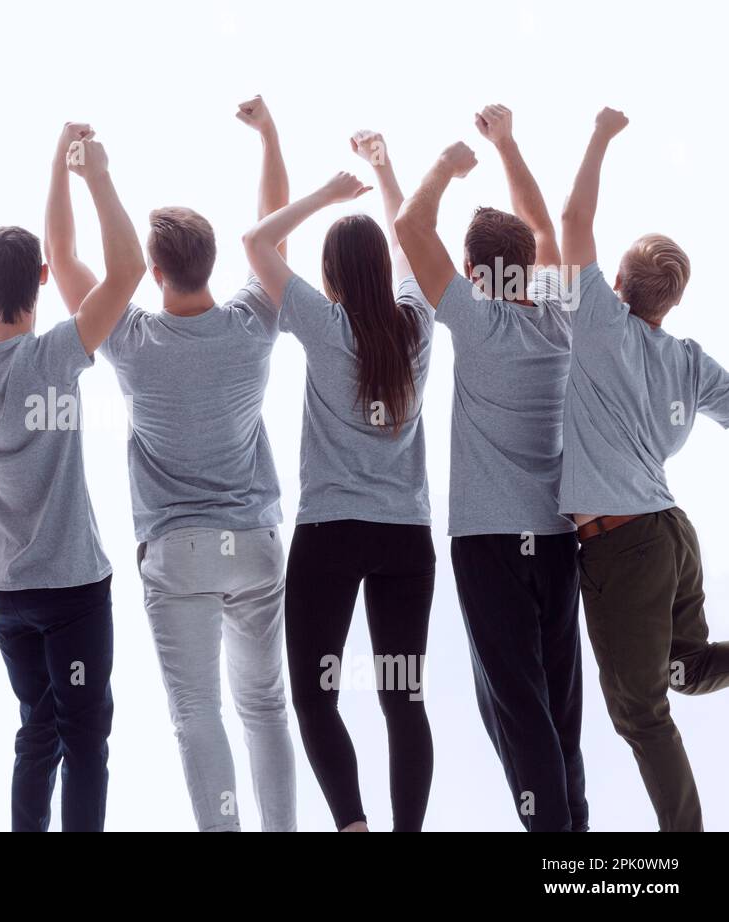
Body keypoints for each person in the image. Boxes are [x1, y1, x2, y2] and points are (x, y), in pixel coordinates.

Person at [50, 96, 298, 831]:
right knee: (266, 706)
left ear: (151, 270)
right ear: (215, 259)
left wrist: (83, 173)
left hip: (178, 552)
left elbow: (63, 261)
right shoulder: (256, 321)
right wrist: (270, 134)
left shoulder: (129, 337)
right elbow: (274, 227)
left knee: (198, 714)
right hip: (254, 547)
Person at [0, 125, 144, 832]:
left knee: (36, 731)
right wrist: (76, 171)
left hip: (8, 594)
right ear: (44, 279)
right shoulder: (59, 352)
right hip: (75, 587)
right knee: (85, 741)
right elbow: (129, 270)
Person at [395, 106, 587, 833]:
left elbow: (412, 233)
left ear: (474, 274)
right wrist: (508, 144)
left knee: (516, 707)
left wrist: (446, 165)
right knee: (556, 706)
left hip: (489, 543)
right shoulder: (560, 316)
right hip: (556, 539)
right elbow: (539, 229)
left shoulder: (477, 320)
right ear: (531, 268)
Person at [243, 129, 435, 831]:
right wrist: (385, 169)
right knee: (403, 699)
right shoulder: (419, 325)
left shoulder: (324, 324)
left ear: (329, 278)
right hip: (406, 538)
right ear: (381, 270)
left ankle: (352, 825)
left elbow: (256, 244)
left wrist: (327, 194)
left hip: (331, 533)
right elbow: (411, 243)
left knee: (314, 697)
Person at [559, 107, 729, 832]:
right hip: (671, 536)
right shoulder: (689, 360)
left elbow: (572, 219)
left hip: (627, 547)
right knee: (684, 668)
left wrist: (599, 135)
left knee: (640, 710)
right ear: (675, 301)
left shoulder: (598, 320)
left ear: (621, 279)